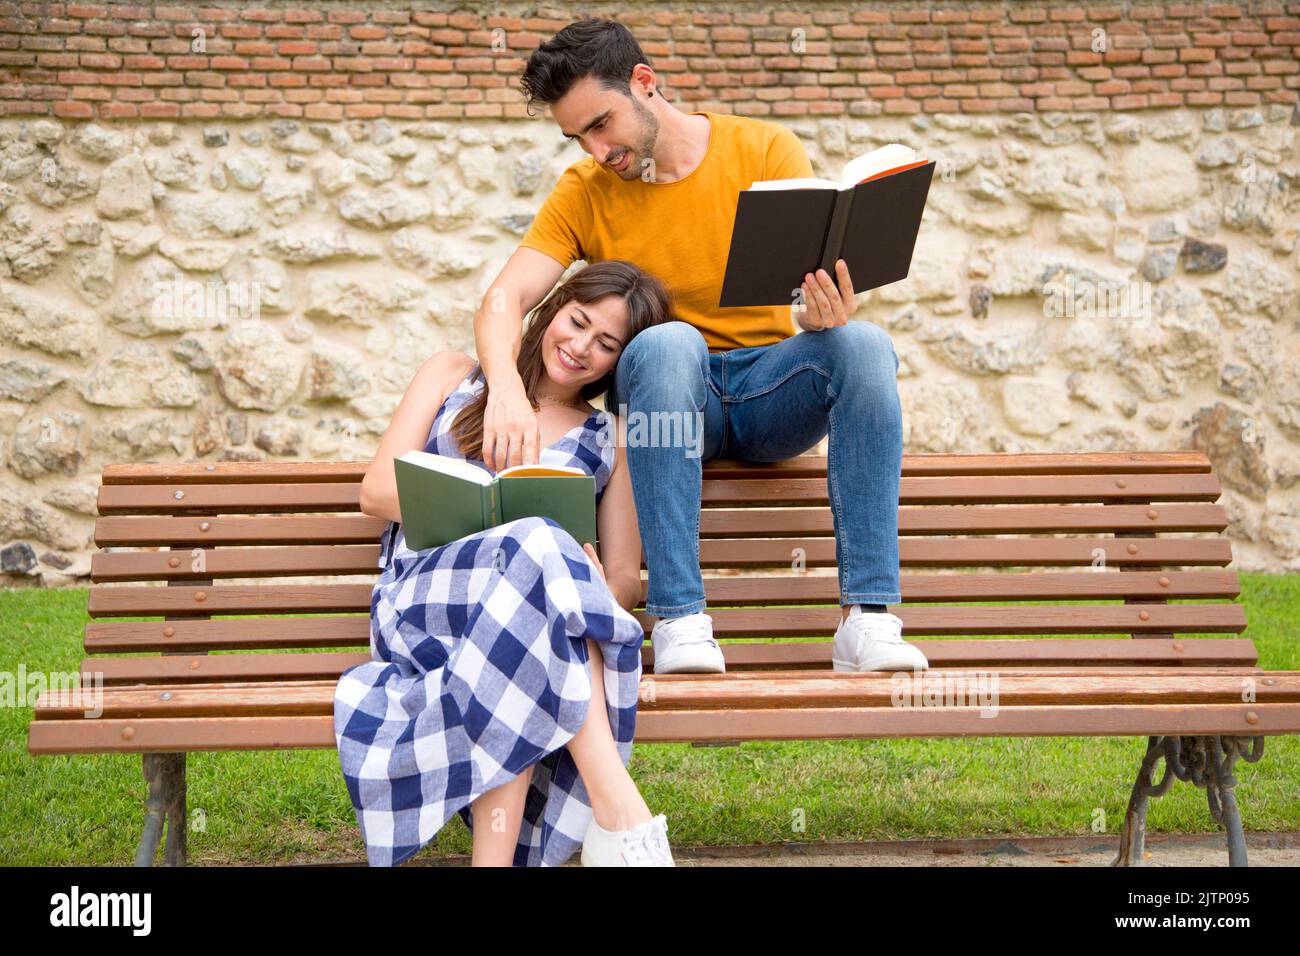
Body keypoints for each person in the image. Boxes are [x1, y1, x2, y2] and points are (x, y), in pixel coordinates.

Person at [471, 18, 930, 677]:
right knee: (667, 343)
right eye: (578, 137)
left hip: (767, 390)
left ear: (645, 84)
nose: (596, 150)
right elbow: (501, 302)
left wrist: (824, 312)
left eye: (601, 124)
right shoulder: (583, 192)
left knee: (864, 344)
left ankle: (869, 619)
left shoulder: (764, 148)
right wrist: (507, 394)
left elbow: (807, 299)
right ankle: (682, 619)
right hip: (666, 393)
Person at [335, 259, 679, 867]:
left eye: (606, 345)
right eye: (576, 322)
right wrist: (500, 515)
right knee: (540, 548)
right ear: (553, 307)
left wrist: (593, 582)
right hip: (423, 601)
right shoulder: (452, 376)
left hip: (526, 616)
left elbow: (623, 577)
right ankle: (619, 812)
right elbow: (373, 491)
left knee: (533, 606)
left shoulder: (611, 438)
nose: (579, 349)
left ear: (618, 364)